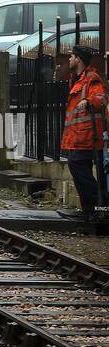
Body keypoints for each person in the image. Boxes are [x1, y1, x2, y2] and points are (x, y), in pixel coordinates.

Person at [61, 44, 109, 223]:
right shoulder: (77, 79)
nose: (69, 60)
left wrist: (88, 101)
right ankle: (89, 210)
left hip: (88, 136)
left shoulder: (91, 78)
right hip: (77, 136)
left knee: (77, 165)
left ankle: (98, 206)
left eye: (72, 56)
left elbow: (101, 98)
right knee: (79, 167)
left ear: (79, 59)